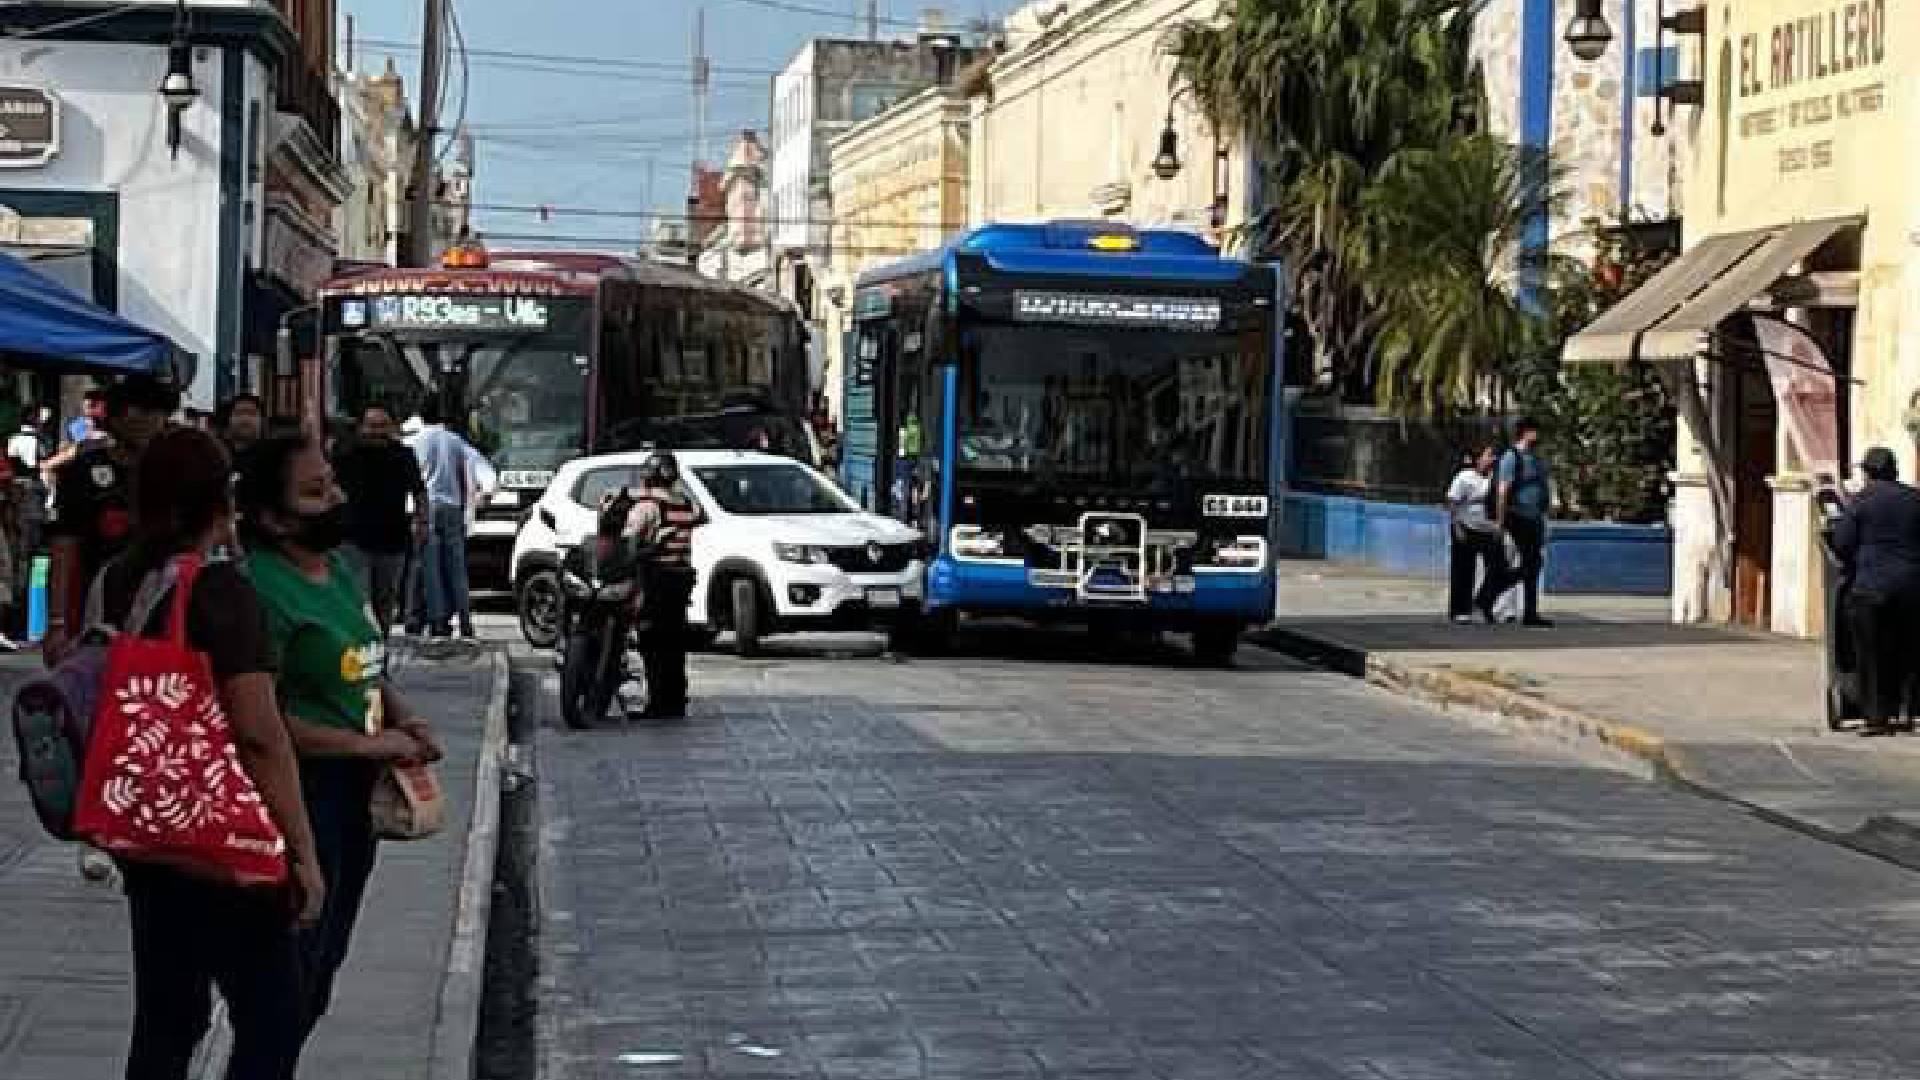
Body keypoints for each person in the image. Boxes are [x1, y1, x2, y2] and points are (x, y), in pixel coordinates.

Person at [104, 428, 325, 1080]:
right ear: (219, 500)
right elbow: (259, 733)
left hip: (146, 822)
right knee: (273, 1015)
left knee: (167, 1017)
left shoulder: (122, 577)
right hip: (219, 835)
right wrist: (302, 851)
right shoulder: (219, 590)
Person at [236, 435, 443, 1040]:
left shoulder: (340, 573)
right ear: (272, 518)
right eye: (314, 491)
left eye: (331, 484)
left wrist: (405, 717)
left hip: (356, 797)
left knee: (322, 970)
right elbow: (260, 723)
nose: (334, 499)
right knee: (288, 980)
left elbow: (365, 665)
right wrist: (366, 746)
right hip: (302, 794)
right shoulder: (259, 591)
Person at [44, 375, 178, 666]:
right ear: (115, 417)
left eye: (151, 412)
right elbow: (63, 548)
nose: (140, 420)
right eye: (131, 410)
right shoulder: (82, 471)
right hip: (93, 611)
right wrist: (56, 624)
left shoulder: (176, 474)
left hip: (160, 610)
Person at [1832, 447, 1920, 732]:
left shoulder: (1861, 501)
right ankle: (1907, 712)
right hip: (1912, 588)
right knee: (1909, 651)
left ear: (1868, 473)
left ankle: (1876, 717)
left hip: (1870, 589)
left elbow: (1842, 543)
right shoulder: (1914, 499)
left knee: (1870, 654)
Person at [624, 451, 706, 719]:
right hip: (681, 580)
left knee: (653, 643)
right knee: (675, 642)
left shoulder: (647, 508)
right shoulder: (686, 504)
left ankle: (658, 702)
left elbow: (629, 540)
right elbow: (701, 516)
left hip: (656, 580)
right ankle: (676, 699)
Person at [336, 404, 427, 637]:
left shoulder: (403, 455)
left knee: (385, 602)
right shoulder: (346, 455)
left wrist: (422, 523)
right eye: (372, 426)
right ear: (361, 428)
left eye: (383, 426)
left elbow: (419, 492)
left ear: (393, 428)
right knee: (360, 600)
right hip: (353, 539)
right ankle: (360, 651)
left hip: (392, 540)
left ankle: (379, 649)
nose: (378, 432)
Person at [404, 400, 480, 639]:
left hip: (428, 506)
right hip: (452, 505)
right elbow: (465, 476)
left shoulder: (414, 442)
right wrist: (466, 507)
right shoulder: (455, 441)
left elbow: (413, 479)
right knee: (457, 567)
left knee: (431, 567)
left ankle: (438, 620)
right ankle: (465, 620)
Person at [1494, 418, 1554, 628]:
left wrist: (1545, 513)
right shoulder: (1512, 457)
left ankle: (1530, 611)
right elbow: (1503, 491)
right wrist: (1500, 522)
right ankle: (1494, 595)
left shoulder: (1536, 459)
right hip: (1517, 517)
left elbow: (1543, 487)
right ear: (1525, 433)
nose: (1538, 436)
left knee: (1533, 564)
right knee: (1524, 563)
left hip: (1535, 518)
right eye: (1535, 431)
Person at [1446, 446, 1507, 625]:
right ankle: (1460, 610)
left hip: (1490, 530)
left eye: (1494, 456)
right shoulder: (1465, 477)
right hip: (1467, 527)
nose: (1492, 459)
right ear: (1478, 459)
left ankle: (1482, 603)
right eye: (1488, 455)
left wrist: (1500, 526)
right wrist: (1456, 525)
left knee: (1500, 567)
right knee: (1463, 571)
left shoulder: (1497, 478)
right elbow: (1452, 501)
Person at [213, 392, 266, 461]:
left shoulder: (273, 456)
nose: (245, 418)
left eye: (252, 413)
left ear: (261, 420)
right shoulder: (215, 455)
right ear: (229, 419)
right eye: (239, 413)